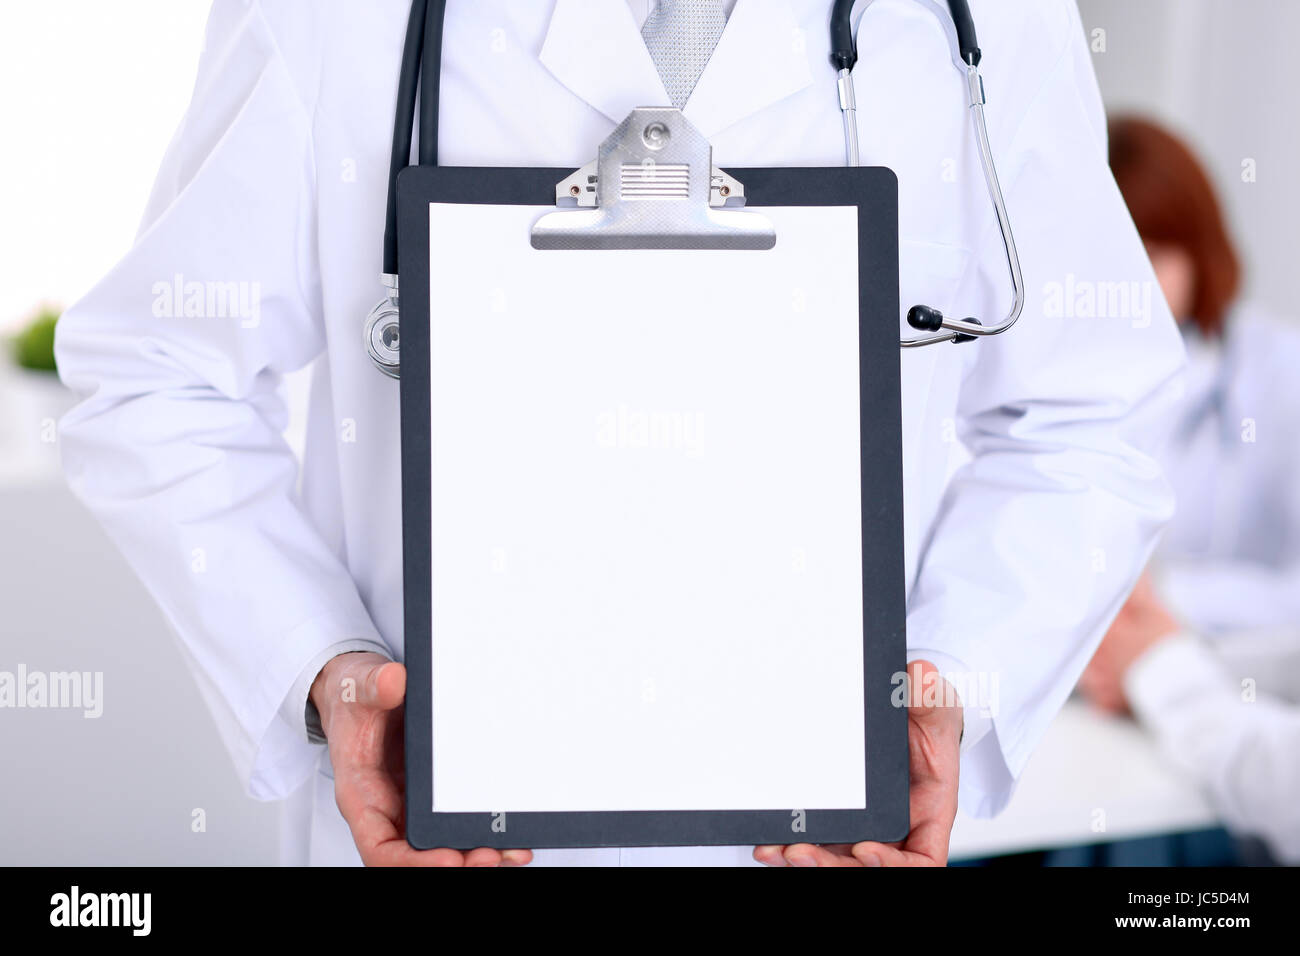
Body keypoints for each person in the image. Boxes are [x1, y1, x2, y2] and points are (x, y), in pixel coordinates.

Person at [54, 0, 1183, 867]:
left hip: (819, 833)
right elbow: (156, 371)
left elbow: (1092, 406)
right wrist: (321, 665)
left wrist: (952, 682)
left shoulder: (977, 21)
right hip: (442, 827)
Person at [1079, 116, 1300, 863]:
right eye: (1107, 252)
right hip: (1086, 714)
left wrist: (1162, 607)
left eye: (1155, 246)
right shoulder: (1044, 380)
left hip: (1206, 720)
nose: (1130, 279)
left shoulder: (1279, 377)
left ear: (1200, 245)